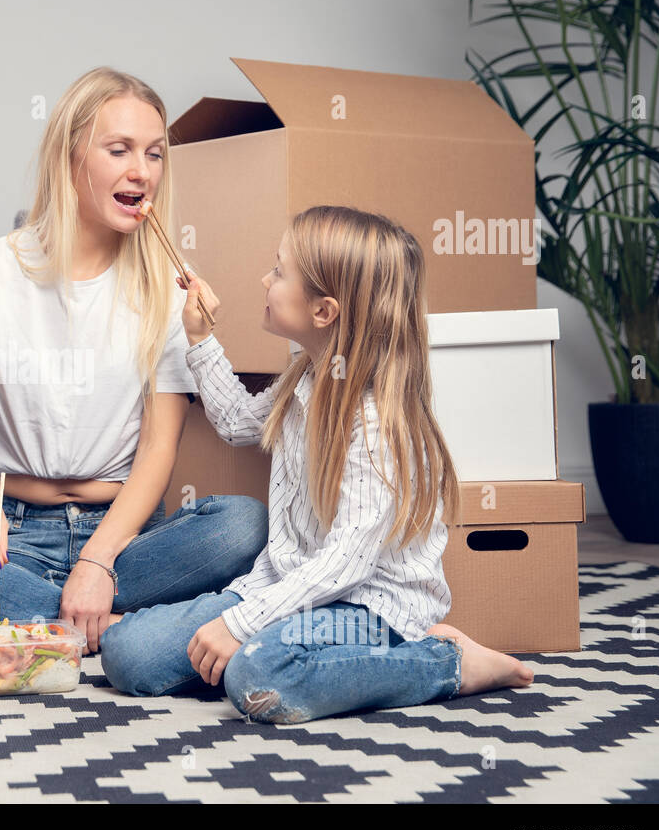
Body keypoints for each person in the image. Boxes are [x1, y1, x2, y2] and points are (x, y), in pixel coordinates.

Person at [0, 67, 267, 651]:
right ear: (71, 158)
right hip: (8, 536)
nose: (141, 171)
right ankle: (106, 629)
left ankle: (32, 623)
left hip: (125, 538)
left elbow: (157, 450)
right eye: (118, 150)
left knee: (243, 525)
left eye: (154, 154)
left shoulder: (169, 288)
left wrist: (97, 561)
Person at [100, 206, 535, 723]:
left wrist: (241, 625)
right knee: (127, 653)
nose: (265, 279)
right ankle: (295, 649)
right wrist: (199, 338)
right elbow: (240, 422)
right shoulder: (306, 376)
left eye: (279, 271)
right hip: (290, 586)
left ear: (324, 312)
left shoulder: (375, 423)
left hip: (368, 607)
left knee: (258, 679)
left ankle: (447, 661)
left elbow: (347, 562)